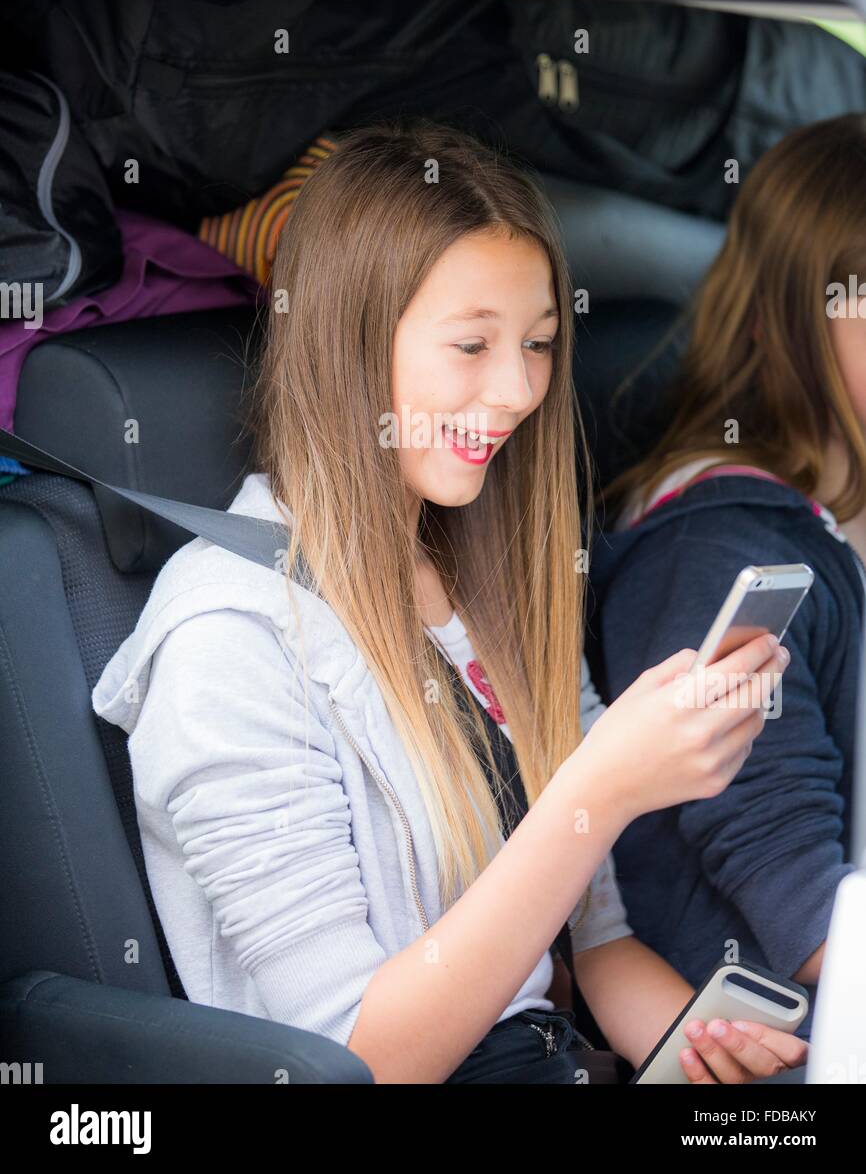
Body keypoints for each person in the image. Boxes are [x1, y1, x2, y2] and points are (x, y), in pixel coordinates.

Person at [92, 120, 798, 1084]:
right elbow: (358, 1058)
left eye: (541, 343)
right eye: (472, 344)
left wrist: (716, 1060)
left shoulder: (492, 588)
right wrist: (600, 789)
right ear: (350, 345)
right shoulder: (228, 642)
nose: (516, 391)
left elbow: (593, 949)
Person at [593, 114, 866, 1037]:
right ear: (800, 314)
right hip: (791, 1045)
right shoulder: (724, 553)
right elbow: (804, 907)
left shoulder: (836, 510)